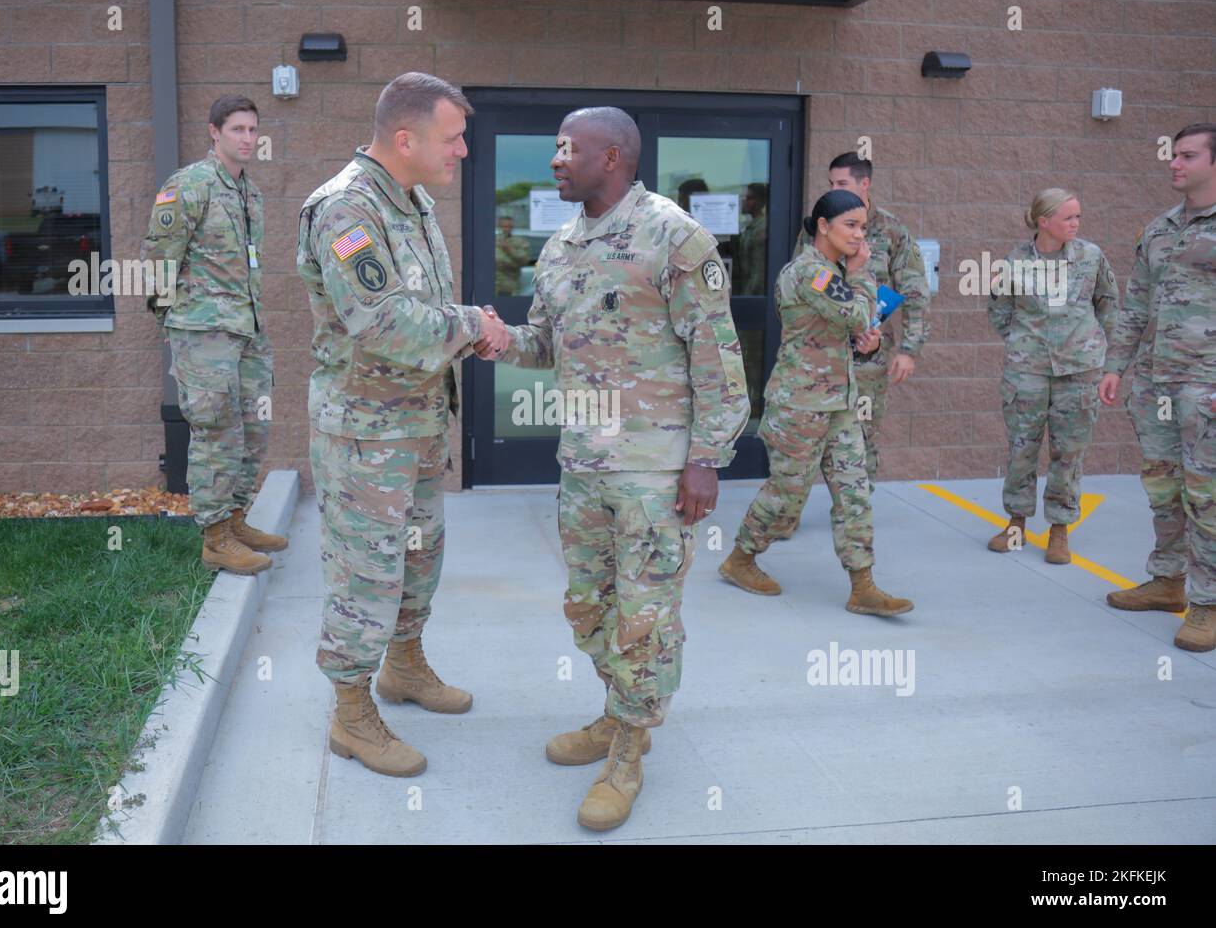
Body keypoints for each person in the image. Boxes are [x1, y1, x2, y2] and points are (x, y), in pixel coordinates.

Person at [476, 107, 749, 831]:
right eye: (555, 149)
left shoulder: (675, 236)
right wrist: (502, 342)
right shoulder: (561, 245)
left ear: (615, 155)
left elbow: (718, 356)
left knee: (645, 621)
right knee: (589, 607)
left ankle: (628, 751)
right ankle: (614, 712)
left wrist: (706, 460)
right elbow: (547, 343)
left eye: (570, 150)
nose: (558, 160)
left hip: (657, 472)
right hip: (586, 466)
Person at [295, 72, 510, 777]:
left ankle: (405, 667)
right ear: (406, 138)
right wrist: (469, 324)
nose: (463, 152)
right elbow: (382, 321)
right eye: (453, 138)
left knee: (419, 559)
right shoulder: (345, 211)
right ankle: (351, 715)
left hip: (415, 426)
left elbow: (422, 310)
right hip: (365, 436)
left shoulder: (411, 200)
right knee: (365, 573)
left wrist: (460, 329)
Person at [720, 190, 913, 616]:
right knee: (787, 495)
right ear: (823, 226)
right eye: (850, 225)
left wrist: (865, 344)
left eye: (863, 227)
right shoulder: (813, 273)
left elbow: (846, 331)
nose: (859, 235)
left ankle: (863, 585)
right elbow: (859, 314)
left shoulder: (832, 272)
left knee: (854, 492)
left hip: (838, 402)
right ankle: (740, 558)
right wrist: (862, 279)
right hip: (800, 405)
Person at [141, 94, 286, 576]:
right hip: (203, 332)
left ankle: (236, 519)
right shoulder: (190, 186)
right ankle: (215, 538)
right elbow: (158, 259)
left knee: (252, 431)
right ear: (214, 132)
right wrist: (172, 323)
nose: (247, 138)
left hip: (247, 332)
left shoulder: (250, 193)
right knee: (215, 431)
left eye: (252, 130)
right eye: (238, 129)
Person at [1099, 123, 1216, 652]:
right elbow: (1135, 306)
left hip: (1207, 385)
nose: (1175, 163)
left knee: (1206, 495)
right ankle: (1168, 580)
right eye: (1173, 154)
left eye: (1188, 156)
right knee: (1163, 487)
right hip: (1157, 385)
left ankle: (1208, 604)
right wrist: (1116, 366)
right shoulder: (1160, 228)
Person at [986, 189, 1118, 563]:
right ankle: (1016, 524)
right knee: (1021, 449)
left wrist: (1101, 350)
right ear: (1044, 221)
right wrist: (1023, 341)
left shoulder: (1091, 257)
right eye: (1068, 218)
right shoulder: (1013, 262)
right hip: (1027, 370)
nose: (1076, 224)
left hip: (1079, 370)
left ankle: (1059, 531)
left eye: (1078, 217)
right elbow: (999, 310)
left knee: (1068, 453)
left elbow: (1109, 302)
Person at [793, 153, 930, 484]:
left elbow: (915, 292)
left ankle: (855, 516)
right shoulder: (820, 226)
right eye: (831, 184)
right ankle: (786, 510)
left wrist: (909, 350)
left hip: (869, 354)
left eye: (841, 183)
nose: (833, 189)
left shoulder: (892, 230)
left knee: (862, 435)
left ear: (864, 184)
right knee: (805, 434)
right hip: (819, 351)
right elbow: (798, 281)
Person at [736, 182, 769, 296]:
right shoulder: (749, 225)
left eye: (749, 198)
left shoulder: (761, 228)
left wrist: (748, 297)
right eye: (744, 197)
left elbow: (758, 272)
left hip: (754, 294)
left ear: (760, 201)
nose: (744, 201)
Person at [494, 214, 530, 295]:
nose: (506, 229)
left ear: (512, 227)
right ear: (499, 226)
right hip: (494, 284)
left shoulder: (520, 241)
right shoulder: (493, 240)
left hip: (511, 284)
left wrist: (509, 249)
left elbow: (524, 261)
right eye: (503, 226)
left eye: (508, 226)